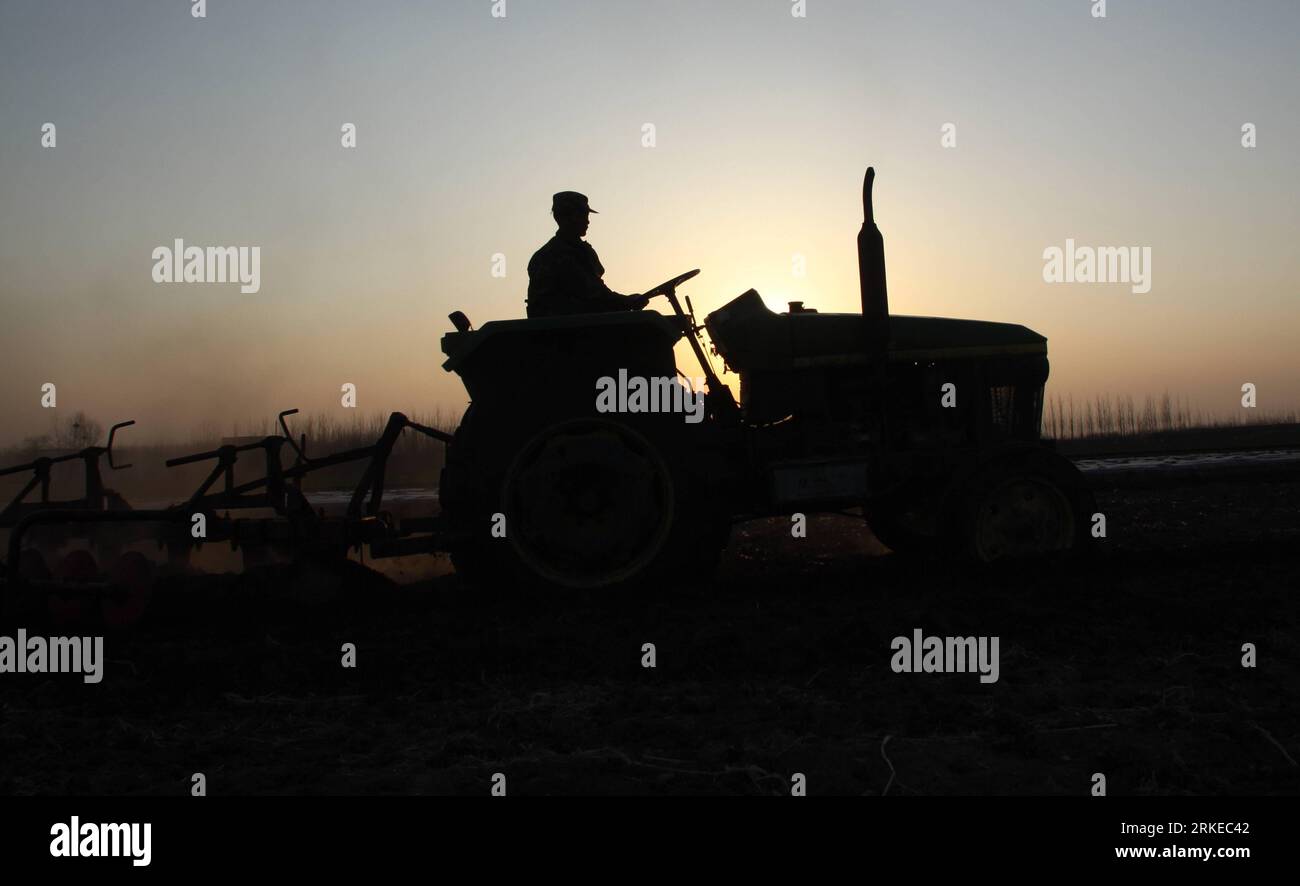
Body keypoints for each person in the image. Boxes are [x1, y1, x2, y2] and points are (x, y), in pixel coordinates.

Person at [526, 191, 649, 318]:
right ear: (565, 217)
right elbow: (594, 295)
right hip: (570, 330)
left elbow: (597, 291)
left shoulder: (581, 251)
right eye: (582, 215)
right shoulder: (552, 256)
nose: (587, 221)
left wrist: (627, 302)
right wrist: (627, 302)